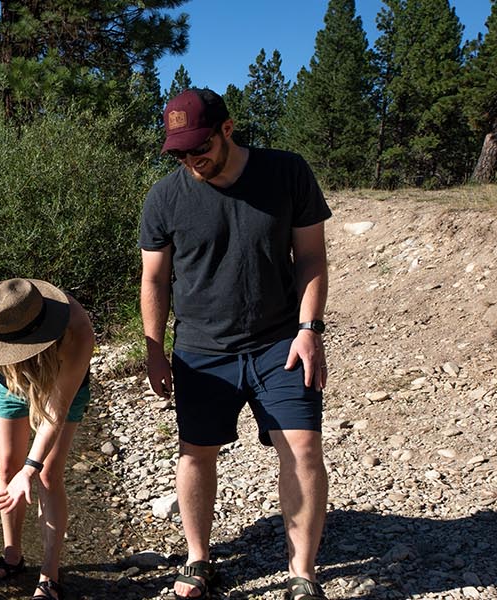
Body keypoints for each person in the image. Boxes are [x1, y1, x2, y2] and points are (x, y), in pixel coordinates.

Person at [139, 87, 333, 600]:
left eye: (198, 146)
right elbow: (154, 280)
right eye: (178, 151)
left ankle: (302, 574)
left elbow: (311, 257)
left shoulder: (286, 173)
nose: (190, 159)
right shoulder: (164, 198)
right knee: (196, 453)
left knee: (303, 449)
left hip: (280, 341)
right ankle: (199, 559)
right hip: (201, 350)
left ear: (227, 128)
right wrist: (154, 349)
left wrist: (310, 330)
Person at [0, 278, 96, 600]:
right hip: (12, 385)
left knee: (48, 475)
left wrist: (31, 469)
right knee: (8, 468)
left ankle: (50, 573)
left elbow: (56, 410)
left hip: (62, 389)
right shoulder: (0, 316)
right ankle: (12, 555)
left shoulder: (77, 330)